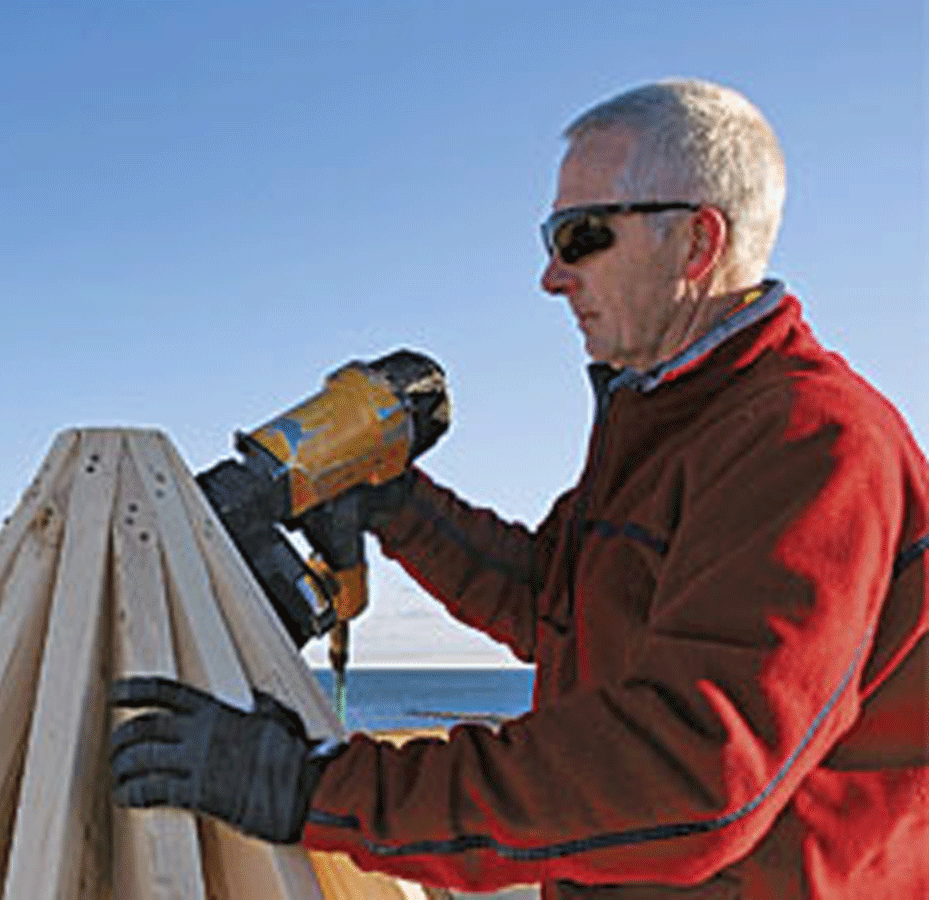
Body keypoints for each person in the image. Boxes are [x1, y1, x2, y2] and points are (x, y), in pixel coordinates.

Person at [108, 79, 929, 899]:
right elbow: (556, 604)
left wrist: (313, 788)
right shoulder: (664, 422)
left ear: (697, 243)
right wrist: (399, 506)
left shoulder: (810, 443)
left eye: (581, 236)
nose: (550, 275)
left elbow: (695, 776)